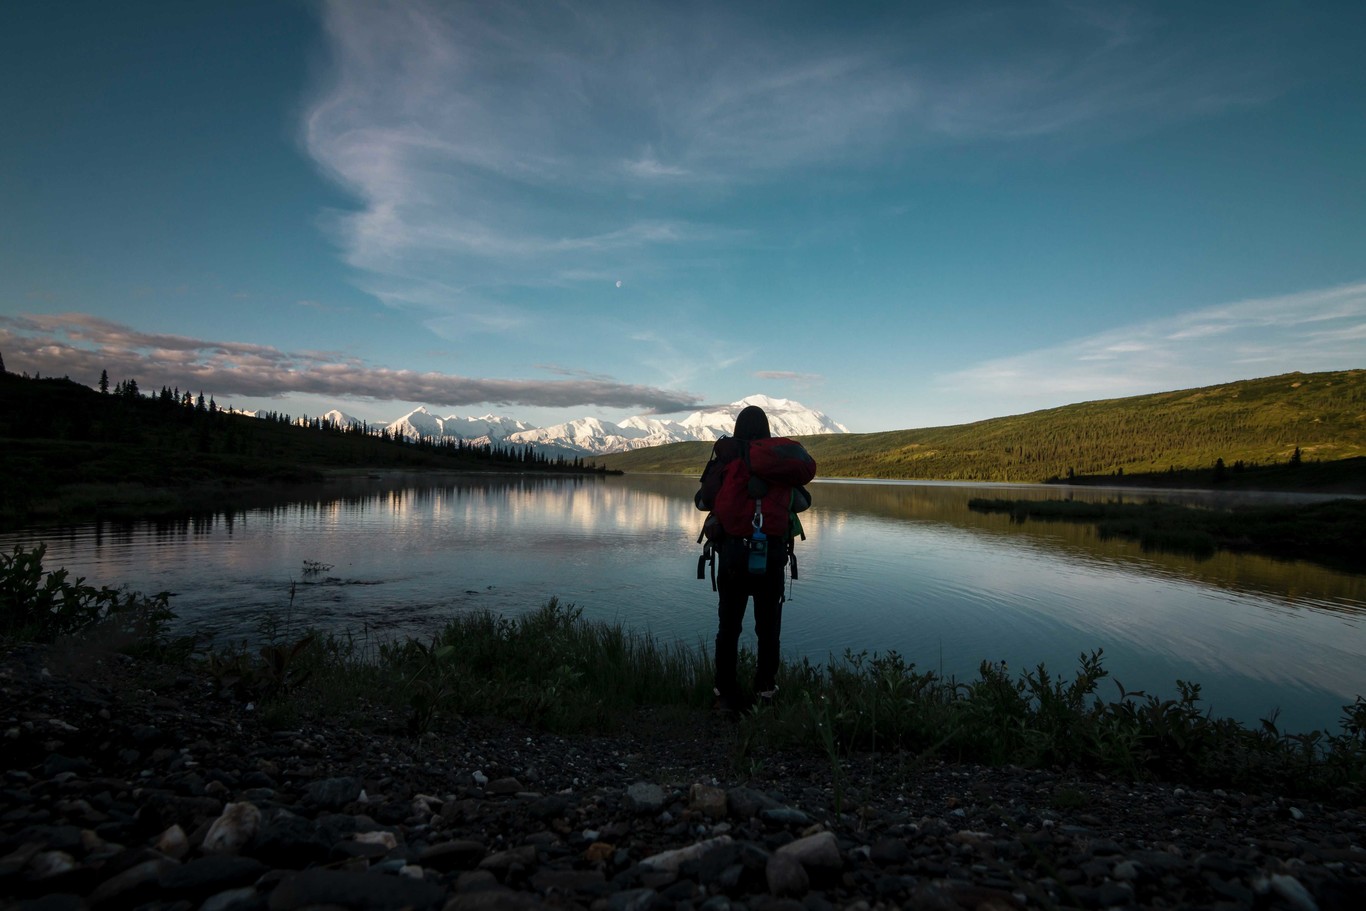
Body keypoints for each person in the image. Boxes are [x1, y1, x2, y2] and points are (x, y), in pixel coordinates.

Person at [695, 404, 810, 715]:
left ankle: (725, 695)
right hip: (771, 558)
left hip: (732, 556)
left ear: (737, 430)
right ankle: (765, 692)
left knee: (729, 628)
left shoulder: (728, 460)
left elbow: (703, 501)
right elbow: (802, 502)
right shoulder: (777, 463)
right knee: (768, 628)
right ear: (766, 430)